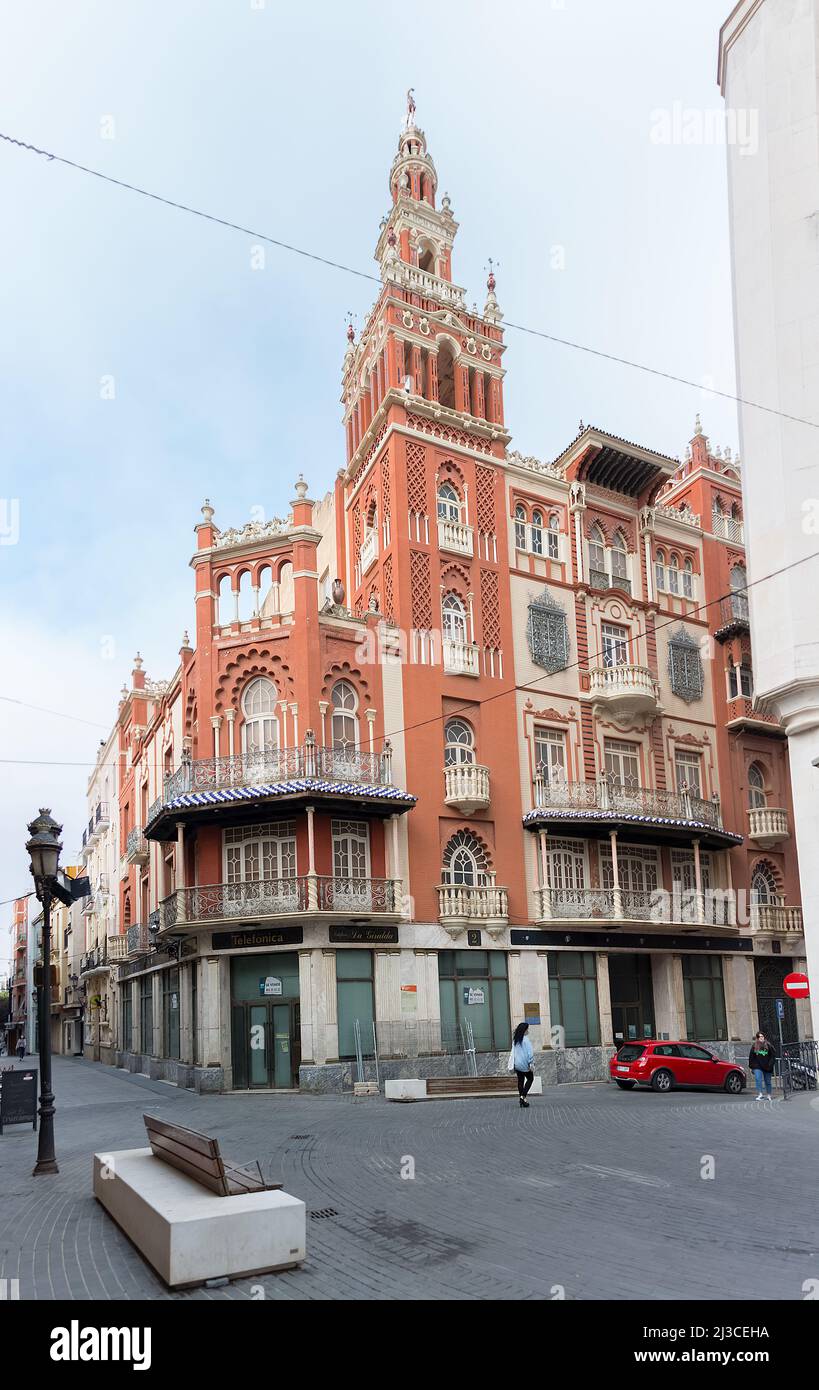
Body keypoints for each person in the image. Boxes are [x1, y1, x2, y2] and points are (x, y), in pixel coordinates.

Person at [510, 1021, 535, 1107]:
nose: (528, 1031)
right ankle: (522, 1096)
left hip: (517, 1064)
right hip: (525, 1063)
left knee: (520, 1081)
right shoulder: (526, 1040)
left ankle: (523, 1101)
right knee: (530, 1078)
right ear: (524, 1030)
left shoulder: (516, 1040)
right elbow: (530, 1053)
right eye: (527, 1029)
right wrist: (531, 1063)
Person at [748, 1031, 776, 1100]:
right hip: (757, 1066)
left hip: (767, 1066)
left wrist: (770, 1065)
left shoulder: (768, 1045)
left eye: (762, 1036)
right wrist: (752, 1066)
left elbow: (773, 1056)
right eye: (760, 1037)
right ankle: (760, 1094)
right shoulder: (754, 1046)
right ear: (757, 1038)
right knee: (758, 1079)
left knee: (768, 1082)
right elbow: (751, 1057)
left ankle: (769, 1095)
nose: (761, 1038)